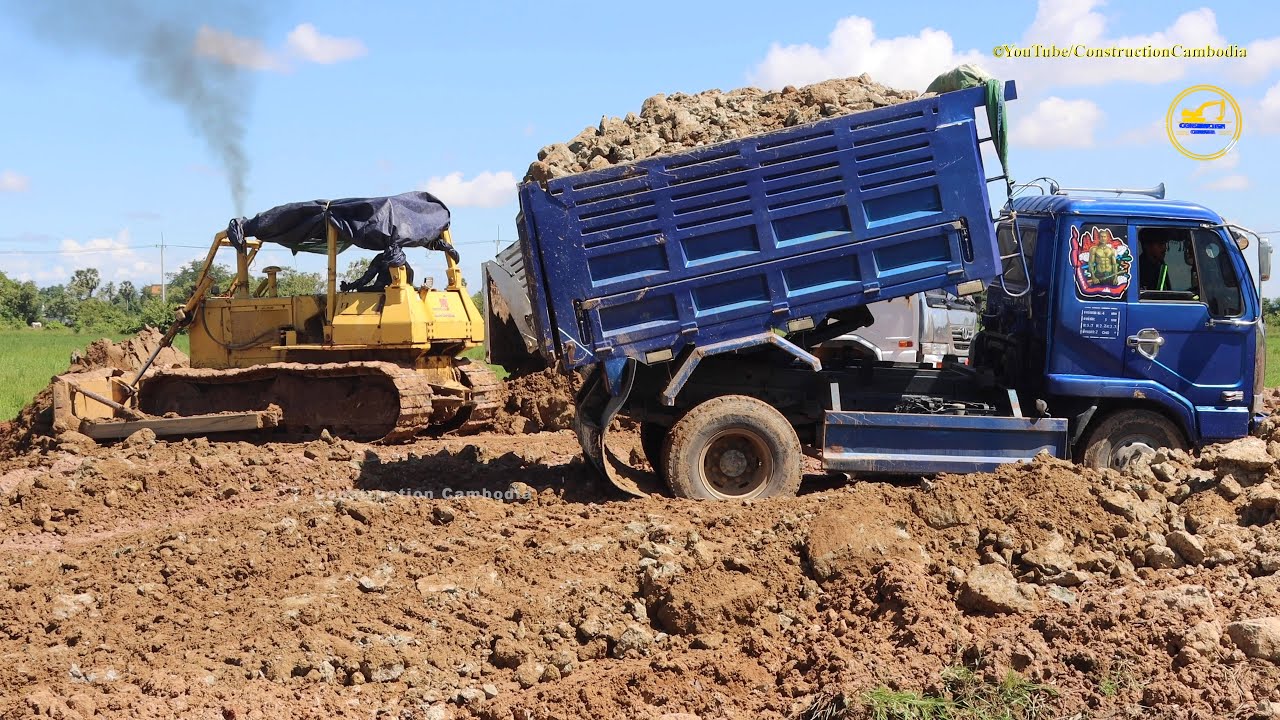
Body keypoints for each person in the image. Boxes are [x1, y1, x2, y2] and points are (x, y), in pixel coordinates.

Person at [340, 250, 414, 292]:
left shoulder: (382, 258)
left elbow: (368, 277)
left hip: (384, 290)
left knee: (362, 289)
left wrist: (351, 286)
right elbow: (368, 277)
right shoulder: (401, 259)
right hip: (394, 291)